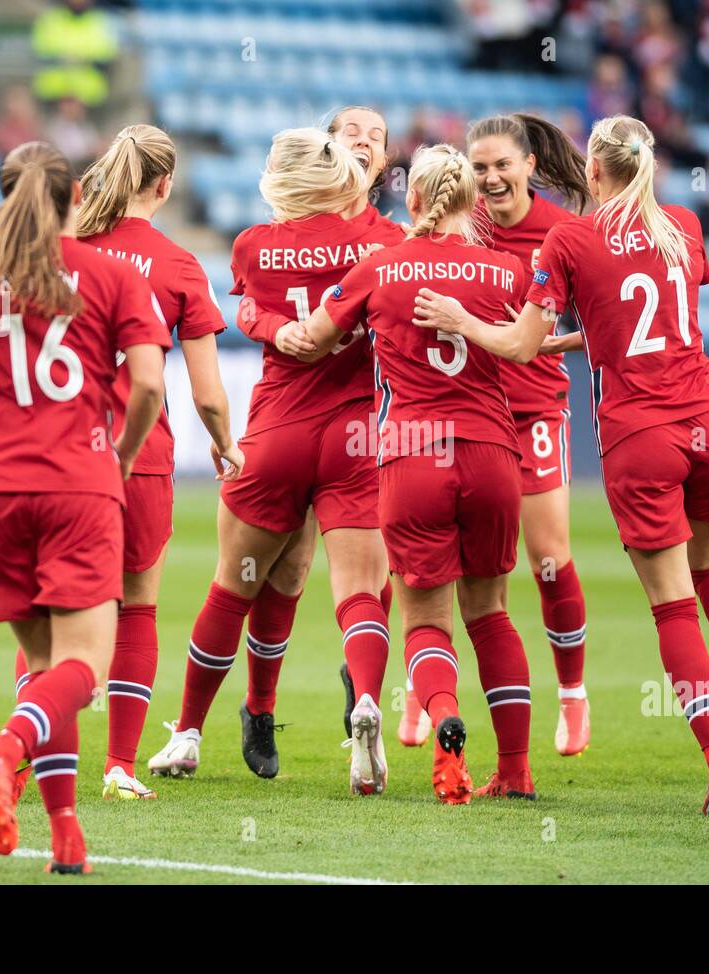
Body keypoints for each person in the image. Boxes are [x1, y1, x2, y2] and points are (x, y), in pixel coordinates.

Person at [413, 116, 709, 817]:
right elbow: (628, 316)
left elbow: (523, 345)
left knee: (674, 604)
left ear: (592, 170)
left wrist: (463, 321)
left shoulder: (569, 237)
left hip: (642, 434)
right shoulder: (681, 224)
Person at [0, 141, 171, 871]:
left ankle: (66, 837)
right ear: (79, 192)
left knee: (42, 666)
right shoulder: (113, 274)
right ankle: (6, 748)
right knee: (85, 666)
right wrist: (119, 454)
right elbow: (150, 386)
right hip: (78, 484)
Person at [148, 123, 402, 795]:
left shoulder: (253, 245)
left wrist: (273, 327)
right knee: (358, 592)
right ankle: (366, 708)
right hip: (353, 432)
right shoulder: (380, 243)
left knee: (234, 584)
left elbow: (252, 309)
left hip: (276, 430)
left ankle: (187, 733)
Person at [288, 144, 538, 804]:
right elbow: (530, 345)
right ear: (471, 202)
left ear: (416, 200)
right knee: (492, 615)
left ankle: (444, 718)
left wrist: (277, 327)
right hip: (491, 454)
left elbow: (313, 337)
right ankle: (514, 770)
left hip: (411, 453)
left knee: (427, 620)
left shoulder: (381, 266)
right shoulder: (506, 271)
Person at [11, 124, 241, 802]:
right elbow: (206, 392)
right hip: (137, 457)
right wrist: (227, 445)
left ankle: (25, 753)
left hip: (55, 454)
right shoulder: (178, 266)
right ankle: (117, 767)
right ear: (166, 185)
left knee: (52, 613)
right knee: (138, 608)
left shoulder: (61, 251)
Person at [440, 111, 593, 757]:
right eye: (479, 168)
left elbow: (604, 320)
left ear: (531, 164)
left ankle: (573, 695)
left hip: (532, 412)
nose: (491, 178)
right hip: (466, 412)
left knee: (549, 558)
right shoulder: (459, 228)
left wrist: (557, 341)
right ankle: (430, 697)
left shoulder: (564, 232)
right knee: (445, 563)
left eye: (503, 164)